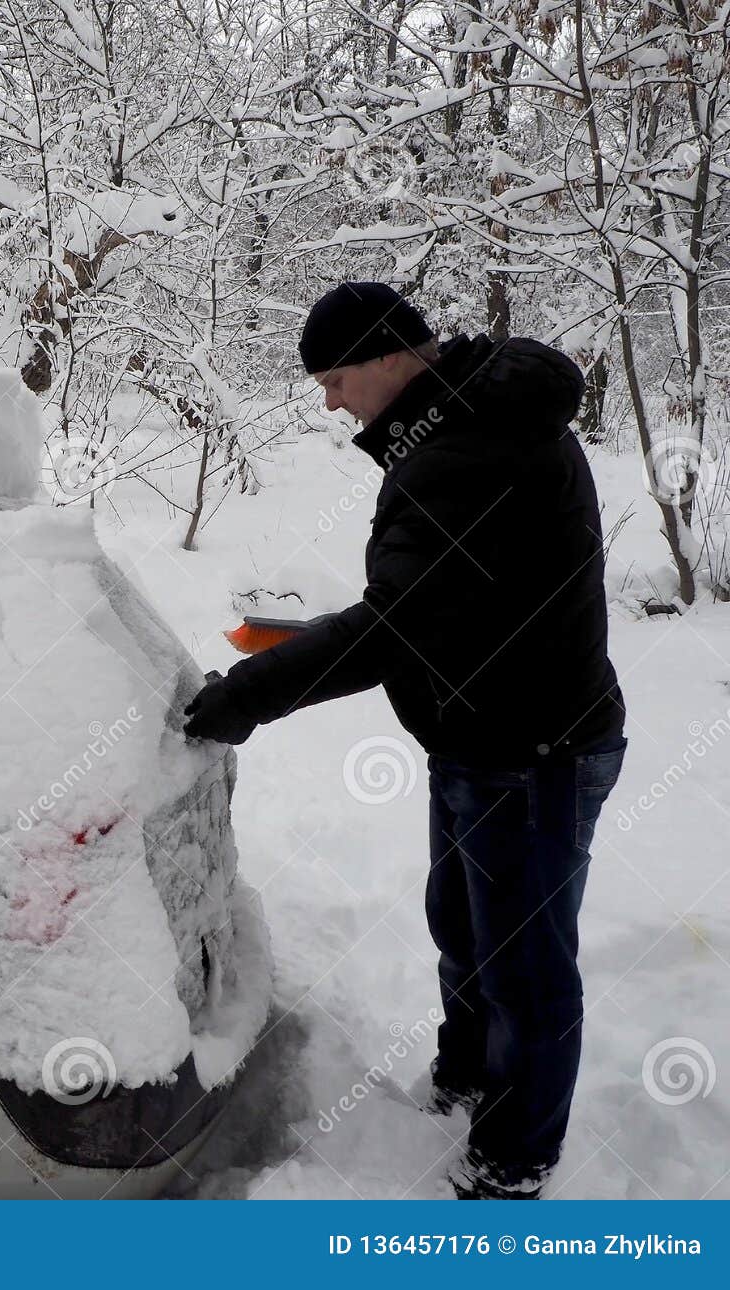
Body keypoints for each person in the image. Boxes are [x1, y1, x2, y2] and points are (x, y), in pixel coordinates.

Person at [183, 281, 627, 1199]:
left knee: (524, 973)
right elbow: (444, 602)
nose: (330, 403)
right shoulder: (462, 422)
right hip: (484, 741)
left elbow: (398, 624)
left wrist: (250, 694)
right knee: (466, 934)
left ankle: (511, 1167)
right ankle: (468, 1081)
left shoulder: (471, 448)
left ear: (389, 355)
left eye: (336, 380)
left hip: (532, 752)